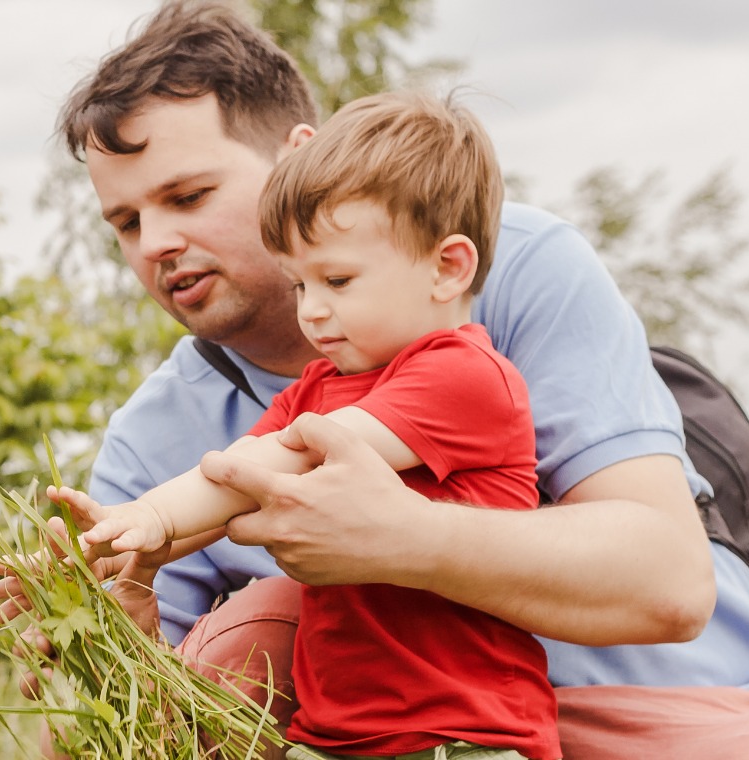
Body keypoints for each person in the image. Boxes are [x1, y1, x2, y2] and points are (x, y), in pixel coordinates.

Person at [0, 3, 749, 757]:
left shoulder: (502, 275)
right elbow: (147, 737)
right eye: (124, 221)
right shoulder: (153, 436)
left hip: (672, 718)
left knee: (281, 602)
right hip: (385, 739)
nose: (155, 242)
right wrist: (112, 628)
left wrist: (405, 540)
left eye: (189, 197)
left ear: (298, 159)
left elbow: (668, 587)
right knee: (251, 634)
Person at [69, 90, 556, 760]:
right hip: (335, 737)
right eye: (301, 286)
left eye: (338, 280)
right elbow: (237, 468)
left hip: (460, 735)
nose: (313, 313)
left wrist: (153, 517)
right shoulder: (320, 386)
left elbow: (276, 464)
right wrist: (113, 542)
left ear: (448, 268)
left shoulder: (463, 376)